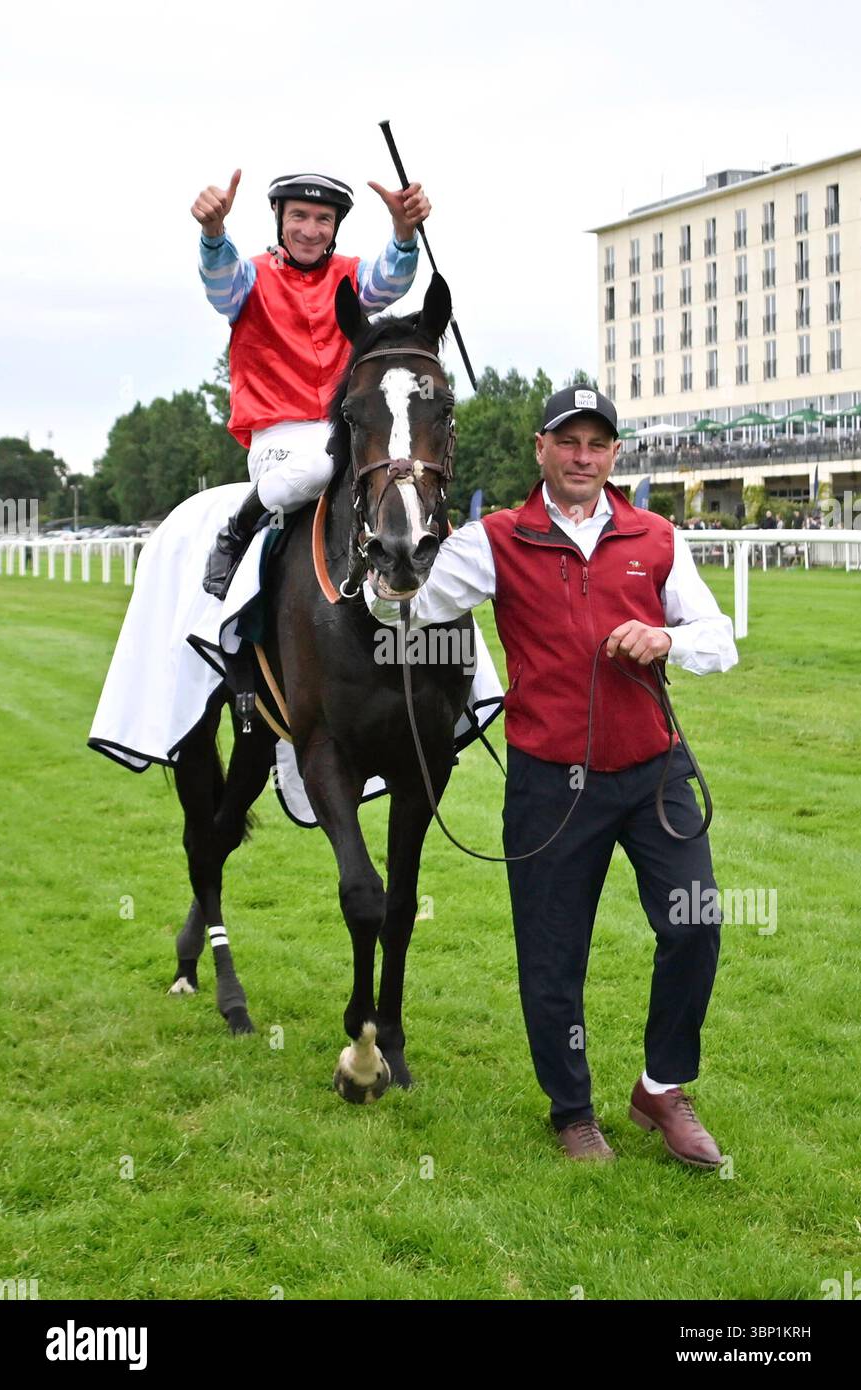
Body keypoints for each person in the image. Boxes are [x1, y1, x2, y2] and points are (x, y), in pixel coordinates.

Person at [364, 386, 739, 1166]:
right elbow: (405, 608)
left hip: (652, 771)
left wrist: (666, 640)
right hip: (549, 780)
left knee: (695, 924)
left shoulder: (656, 535)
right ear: (541, 448)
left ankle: (661, 1087)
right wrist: (388, 559)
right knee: (551, 952)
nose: (582, 457)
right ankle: (571, 1110)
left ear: (612, 455)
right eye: (568, 442)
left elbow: (717, 637)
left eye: (597, 444)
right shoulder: (493, 540)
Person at [192, 167, 431, 597]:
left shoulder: (351, 277)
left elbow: (392, 280)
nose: (310, 230)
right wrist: (213, 232)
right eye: (298, 216)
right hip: (278, 440)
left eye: (323, 220)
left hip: (341, 429)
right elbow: (219, 282)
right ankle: (235, 532)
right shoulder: (249, 279)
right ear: (278, 217)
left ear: (336, 227)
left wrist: (404, 233)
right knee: (323, 464)